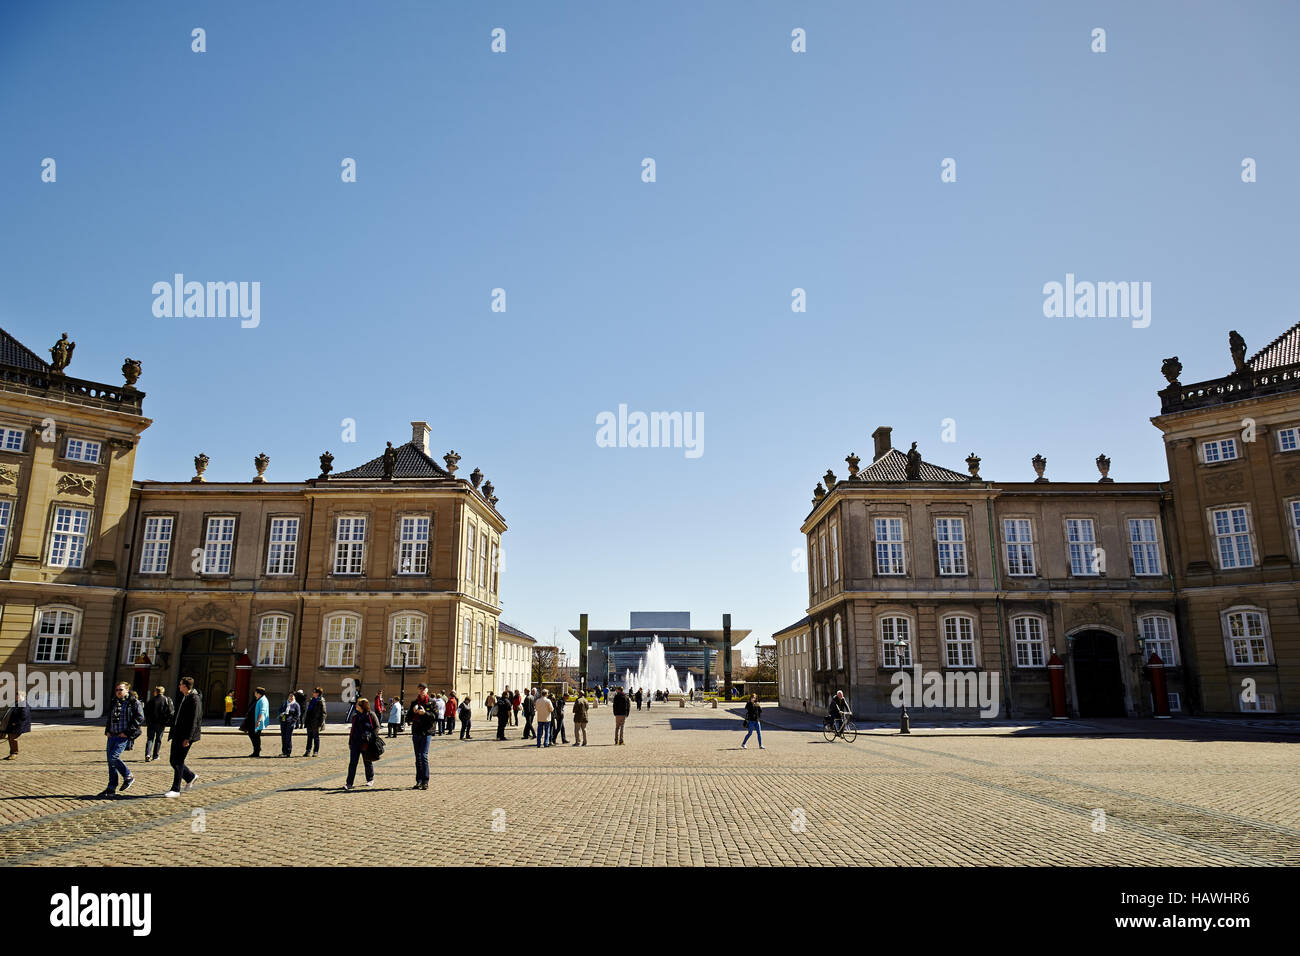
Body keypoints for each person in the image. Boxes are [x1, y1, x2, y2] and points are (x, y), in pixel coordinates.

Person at [98, 682, 143, 797]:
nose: (118, 691)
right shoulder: (114, 701)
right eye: (117, 689)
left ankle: (128, 776)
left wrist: (127, 733)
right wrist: (107, 730)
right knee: (111, 763)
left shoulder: (133, 702)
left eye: (121, 689)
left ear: (127, 690)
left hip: (122, 736)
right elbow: (110, 717)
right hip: (112, 735)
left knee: (114, 758)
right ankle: (111, 788)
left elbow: (139, 718)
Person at [164, 676, 202, 798]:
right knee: (173, 760)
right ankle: (190, 776)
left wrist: (188, 738)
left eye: (181, 684)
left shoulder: (194, 699)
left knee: (178, 761)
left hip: (185, 735)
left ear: (185, 686)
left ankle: (176, 789)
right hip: (177, 734)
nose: (179, 686)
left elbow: (194, 720)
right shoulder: (185, 697)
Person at [344, 697, 379, 790]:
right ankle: (349, 783)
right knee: (352, 763)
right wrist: (350, 741)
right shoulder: (355, 716)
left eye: (357, 704)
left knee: (367, 761)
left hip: (366, 743)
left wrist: (371, 736)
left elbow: (377, 727)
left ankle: (370, 779)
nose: (356, 706)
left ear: (362, 706)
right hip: (355, 743)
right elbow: (353, 730)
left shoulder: (371, 715)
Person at [142, 685, 173, 762]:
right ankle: (155, 755)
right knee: (158, 739)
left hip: (151, 722)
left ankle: (148, 754)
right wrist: (167, 720)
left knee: (150, 738)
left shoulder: (151, 700)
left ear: (156, 691)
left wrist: (147, 720)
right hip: (161, 723)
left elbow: (145, 711)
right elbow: (171, 711)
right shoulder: (166, 699)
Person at [408, 699, 434, 790]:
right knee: (418, 757)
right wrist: (413, 711)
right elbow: (408, 719)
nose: (421, 691)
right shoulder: (414, 703)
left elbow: (434, 717)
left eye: (423, 689)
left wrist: (425, 713)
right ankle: (419, 781)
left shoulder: (431, 702)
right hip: (416, 733)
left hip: (426, 733)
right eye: (420, 689)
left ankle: (425, 781)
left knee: (423, 756)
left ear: (426, 690)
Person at [2, 692, 31, 759]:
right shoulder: (16, 703)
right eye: (16, 695)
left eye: (18, 696)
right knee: (7, 737)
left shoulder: (23, 704)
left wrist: (15, 722)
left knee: (12, 738)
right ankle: (13, 753)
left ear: (23, 696)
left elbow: (24, 716)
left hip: (18, 726)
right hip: (11, 725)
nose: (16, 697)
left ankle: (14, 753)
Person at [303, 687, 326, 756]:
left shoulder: (321, 701)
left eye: (314, 692)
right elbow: (308, 711)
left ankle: (315, 751)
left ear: (318, 693)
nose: (313, 693)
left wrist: (320, 723)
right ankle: (308, 751)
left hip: (316, 722)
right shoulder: (312, 700)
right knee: (309, 737)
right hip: (310, 721)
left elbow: (324, 713)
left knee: (316, 737)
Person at [248, 687, 270, 757]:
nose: (254, 693)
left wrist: (258, 721)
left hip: (257, 721)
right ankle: (256, 749)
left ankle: (256, 751)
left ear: (258, 693)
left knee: (255, 736)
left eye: (255, 692)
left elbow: (262, 711)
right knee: (253, 735)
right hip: (253, 721)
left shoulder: (263, 700)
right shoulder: (259, 699)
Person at [279, 692, 300, 756]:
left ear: (294, 697)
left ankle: (288, 752)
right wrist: (281, 713)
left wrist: (293, 721)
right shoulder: (285, 703)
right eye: (290, 696)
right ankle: (284, 751)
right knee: (283, 737)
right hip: (283, 722)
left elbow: (298, 714)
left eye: (292, 696)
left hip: (290, 723)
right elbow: (280, 710)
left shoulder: (296, 704)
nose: (290, 697)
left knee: (288, 737)